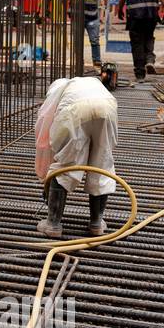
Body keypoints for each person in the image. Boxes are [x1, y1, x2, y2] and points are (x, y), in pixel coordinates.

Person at [34, 72, 118, 239]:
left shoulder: (55, 93)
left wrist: (46, 176)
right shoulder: (82, 84)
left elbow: (44, 139)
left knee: (65, 165)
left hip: (74, 111)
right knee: (102, 164)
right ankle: (96, 224)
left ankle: (53, 224)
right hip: (107, 107)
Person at [68, 0, 104, 66]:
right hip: (76, 16)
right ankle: (79, 62)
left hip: (92, 15)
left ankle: (97, 61)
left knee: (94, 40)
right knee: (77, 41)